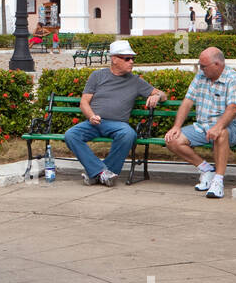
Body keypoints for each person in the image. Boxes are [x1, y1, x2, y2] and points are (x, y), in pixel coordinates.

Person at [62, 39, 166, 187]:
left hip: (118, 125)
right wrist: (91, 116)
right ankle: (102, 173)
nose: (131, 62)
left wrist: (156, 96)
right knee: (71, 135)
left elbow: (163, 94)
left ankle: (97, 173)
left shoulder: (135, 81)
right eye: (127, 58)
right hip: (94, 122)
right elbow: (84, 102)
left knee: (128, 134)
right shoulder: (97, 76)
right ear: (115, 59)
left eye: (132, 58)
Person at [162, 47, 236, 201]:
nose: (200, 69)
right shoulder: (200, 76)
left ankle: (218, 181)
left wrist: (218, 127)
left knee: (221, 134)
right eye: (199, 65)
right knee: (172, 140)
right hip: (203, 126)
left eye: (203, 66)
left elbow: (233, 108)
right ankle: (206, 170)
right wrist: (176, 127)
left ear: (217, 64)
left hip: (234, 127)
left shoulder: (234, 79)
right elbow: (188, 101)